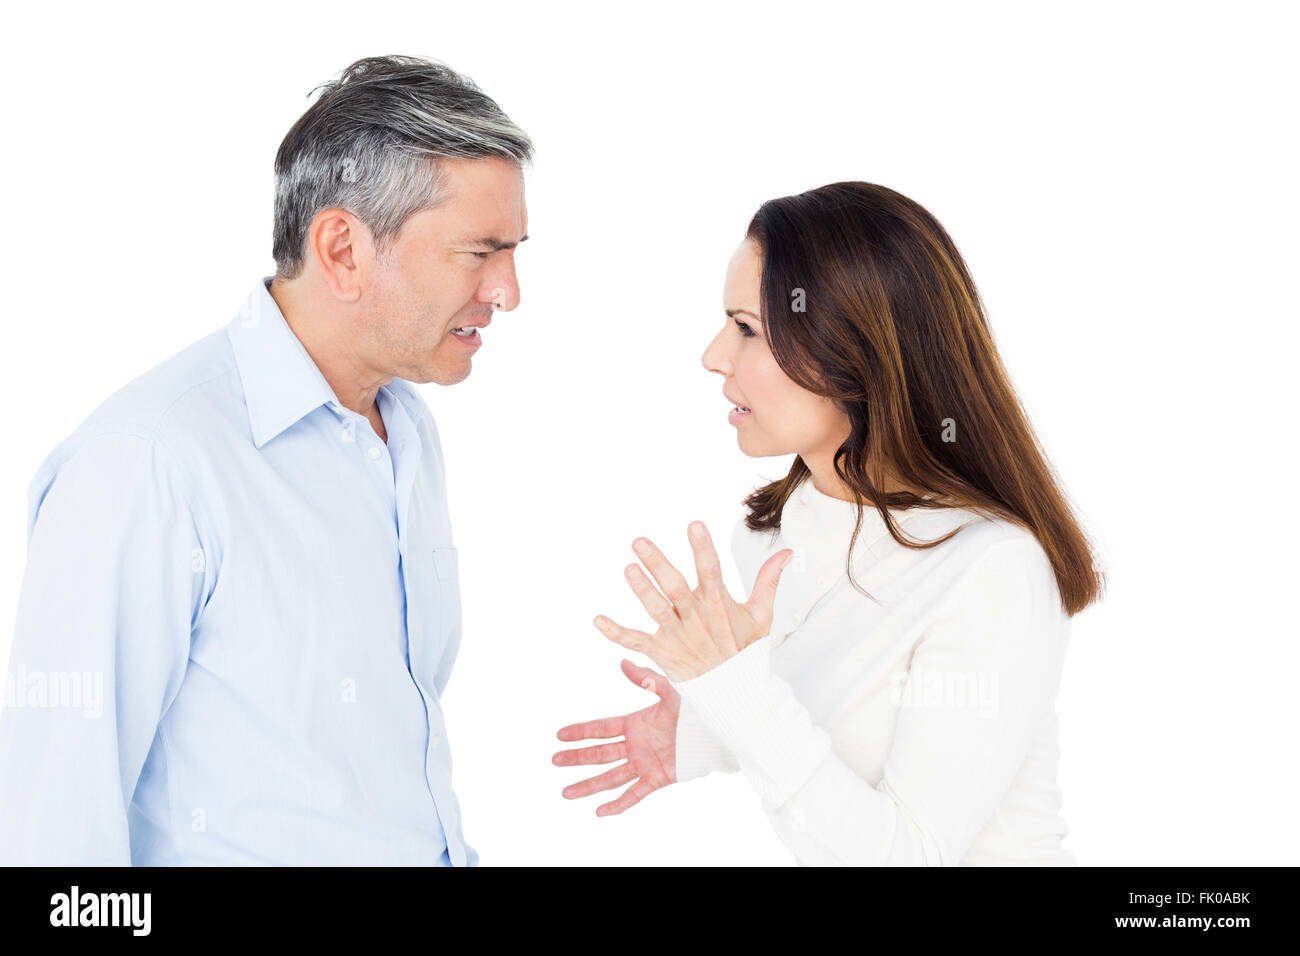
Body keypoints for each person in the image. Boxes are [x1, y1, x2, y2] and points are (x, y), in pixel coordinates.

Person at [0, 55, 530, 865]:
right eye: (479, 252)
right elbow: (55, 835)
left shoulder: (407, 428)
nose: (508, 291)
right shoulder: (147, 463)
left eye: (515, 251)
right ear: (343, 249)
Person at [554, 182, 1104, 865]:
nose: (713, 355)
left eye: (747, 328)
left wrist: (733, 688)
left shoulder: (990, 568)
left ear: (853, 350)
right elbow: (826, 711)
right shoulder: (767, 540)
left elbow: (911, 854)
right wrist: (705, 729)